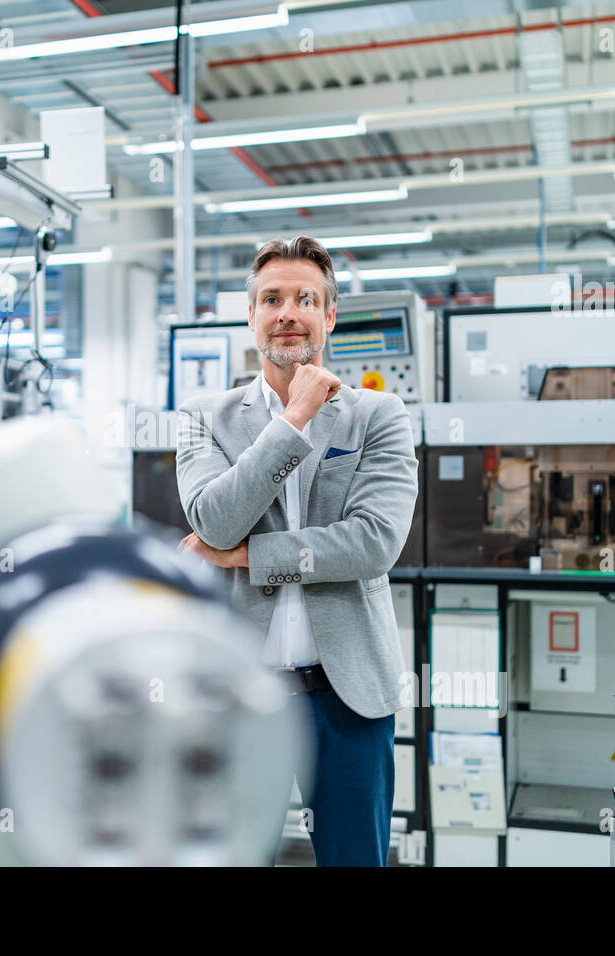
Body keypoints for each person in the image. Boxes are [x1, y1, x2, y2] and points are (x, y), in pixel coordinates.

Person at [175, 235, 419, 867]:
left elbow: (373, 544)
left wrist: (246, 559)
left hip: (348, 698)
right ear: (252, 316)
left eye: (305, 299)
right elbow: (215, 520)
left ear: (329, 316)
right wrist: (294, 420)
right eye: (272, 299)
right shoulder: (206, 417)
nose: (288, 312)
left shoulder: (380, 416)